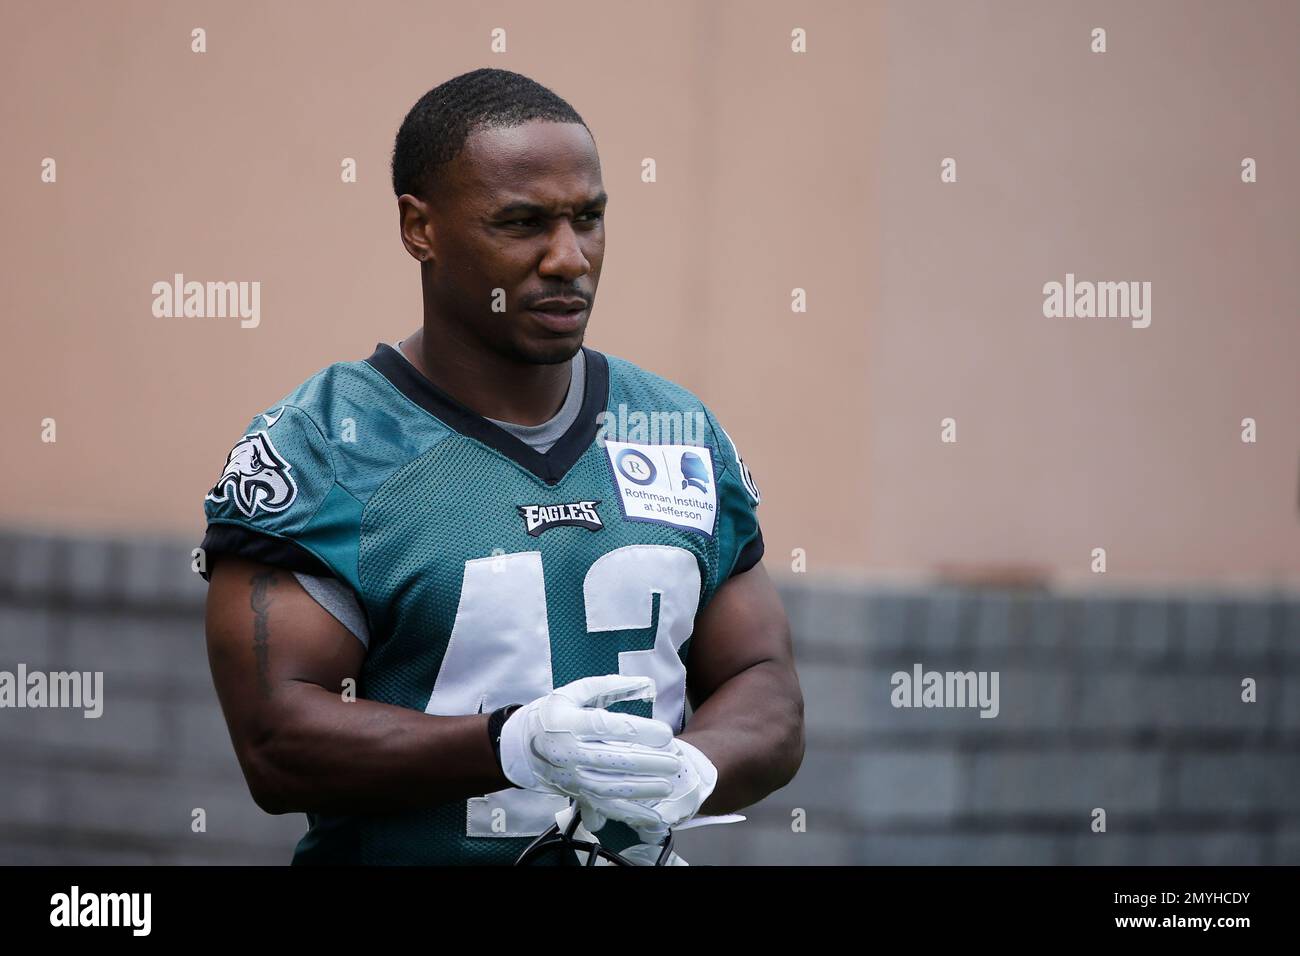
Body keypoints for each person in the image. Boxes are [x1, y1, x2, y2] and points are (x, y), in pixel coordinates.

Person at [200, 68, 804, 864]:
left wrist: (695, 766)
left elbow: (765, 682)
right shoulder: (325, 448)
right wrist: (507, 746)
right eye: (522, 223)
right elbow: (276, 746)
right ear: (420, 228)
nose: (568, 258)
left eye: (588, 219)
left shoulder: (673, 430)